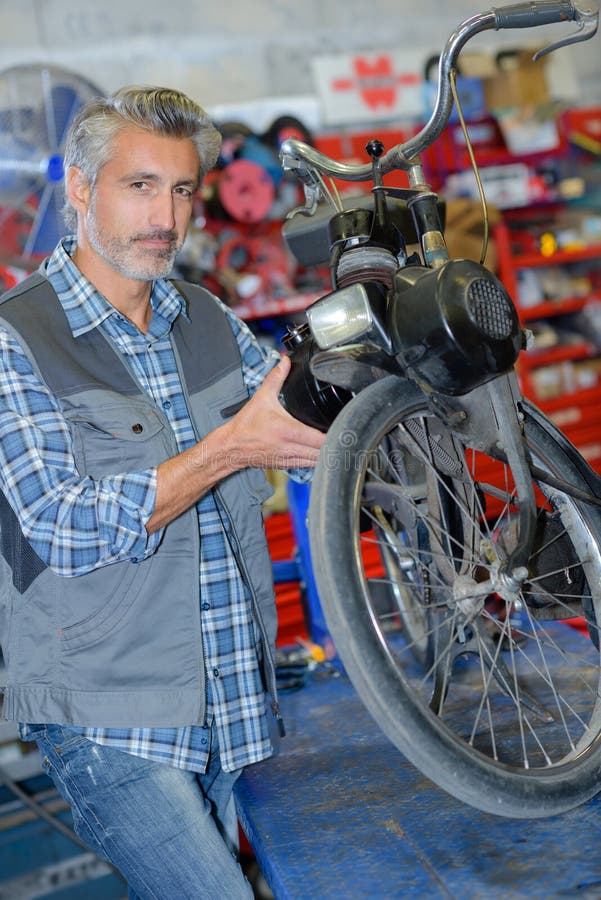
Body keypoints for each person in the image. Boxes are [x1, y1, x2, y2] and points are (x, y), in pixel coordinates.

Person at [0, 85, 325, 898]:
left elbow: (305, 435)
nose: (166, 217)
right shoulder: (17, 339)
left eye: (181, 190)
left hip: (227, 696)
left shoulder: (205, 317)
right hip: (109, 717)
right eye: (139, 186)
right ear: (80, 189)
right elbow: (60, 526)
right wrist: (227, 450)